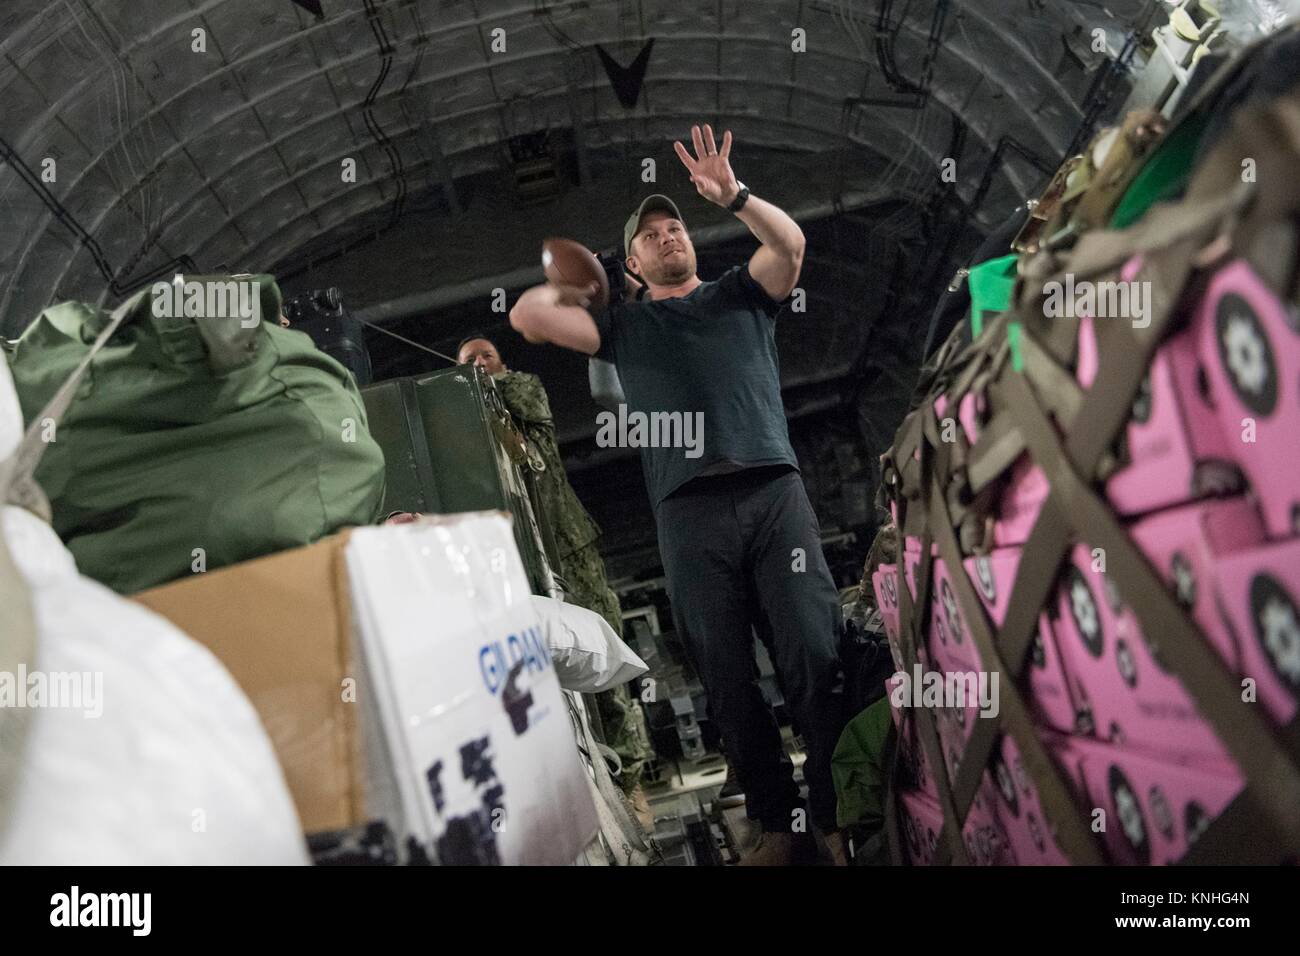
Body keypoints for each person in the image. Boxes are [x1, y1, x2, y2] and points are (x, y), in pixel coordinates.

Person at [510, 123, 849, 865]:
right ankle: (777, 826)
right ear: (633, 263)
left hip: (772, 492)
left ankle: (835, 816)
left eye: (675, 229)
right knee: (726, 677)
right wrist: (585, 286)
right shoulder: (625, 327)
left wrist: (736, 196)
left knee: (814, 652)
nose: (668, 237)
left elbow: (790, 246)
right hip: (689, 513)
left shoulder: (740, 295)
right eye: (651, 236)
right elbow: (526, 316)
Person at [456, 334, 656, 830]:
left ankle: (633, 781)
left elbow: (523, 394)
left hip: (571, 548)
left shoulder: (523, 398)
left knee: (604, 672)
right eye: (468, 360)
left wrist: (481, 378)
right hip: (520, 560)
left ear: (502, 363)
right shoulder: (466, 427)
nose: (479, 364)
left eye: (487, 356)